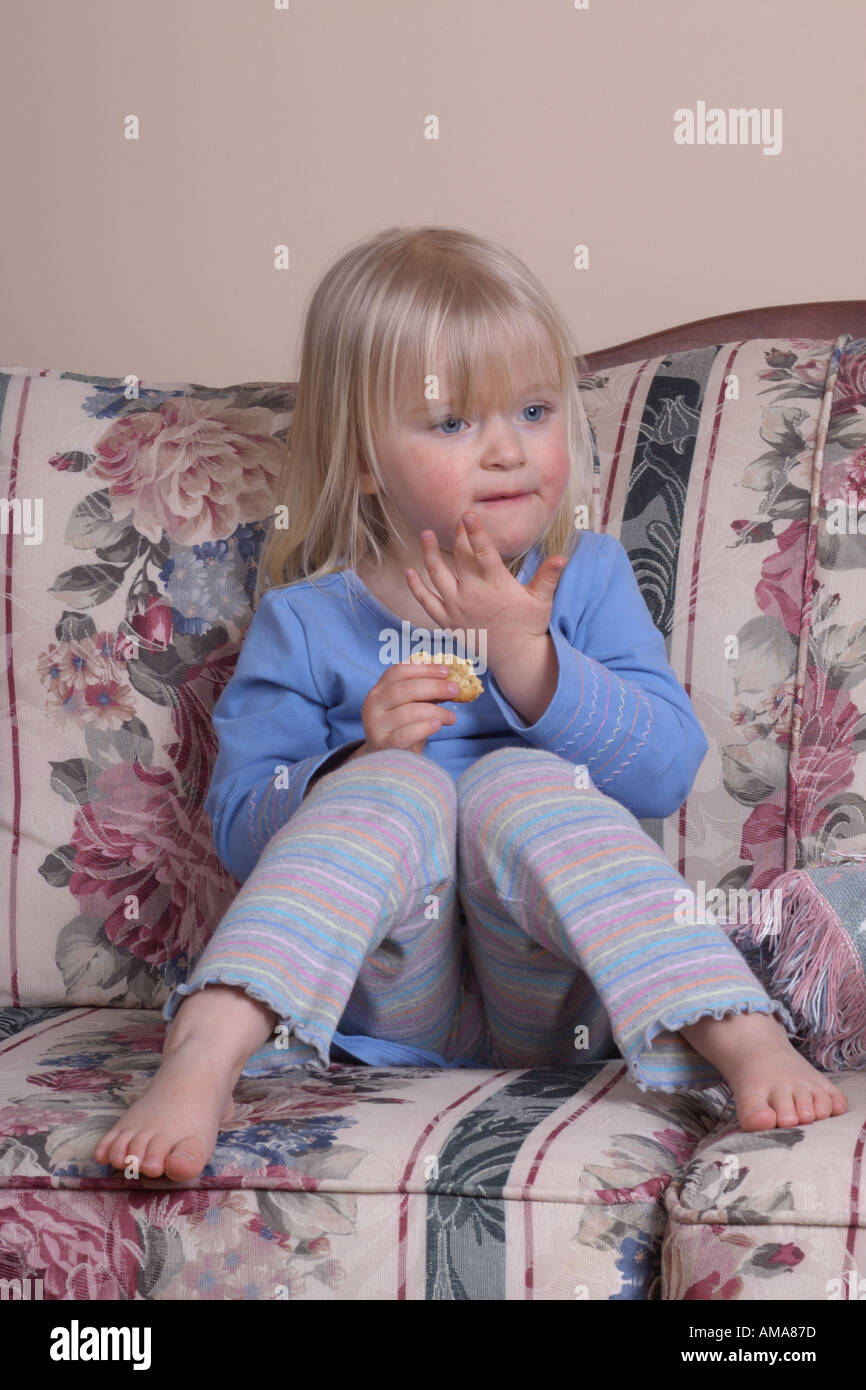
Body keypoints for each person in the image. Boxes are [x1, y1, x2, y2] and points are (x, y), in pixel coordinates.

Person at [94, 225, 847, 1181]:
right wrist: (352, 765)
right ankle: (203, 1055)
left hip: (556, 995)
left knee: (516, 781)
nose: (505, 451)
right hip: (383, 997)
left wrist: (527, 657)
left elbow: (662, 772)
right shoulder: (307, 623)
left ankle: (736, 1030)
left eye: (532, 411)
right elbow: (242, 831)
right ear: (365, 459)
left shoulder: (586, 579)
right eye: (453, 424)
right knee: (395, 792)